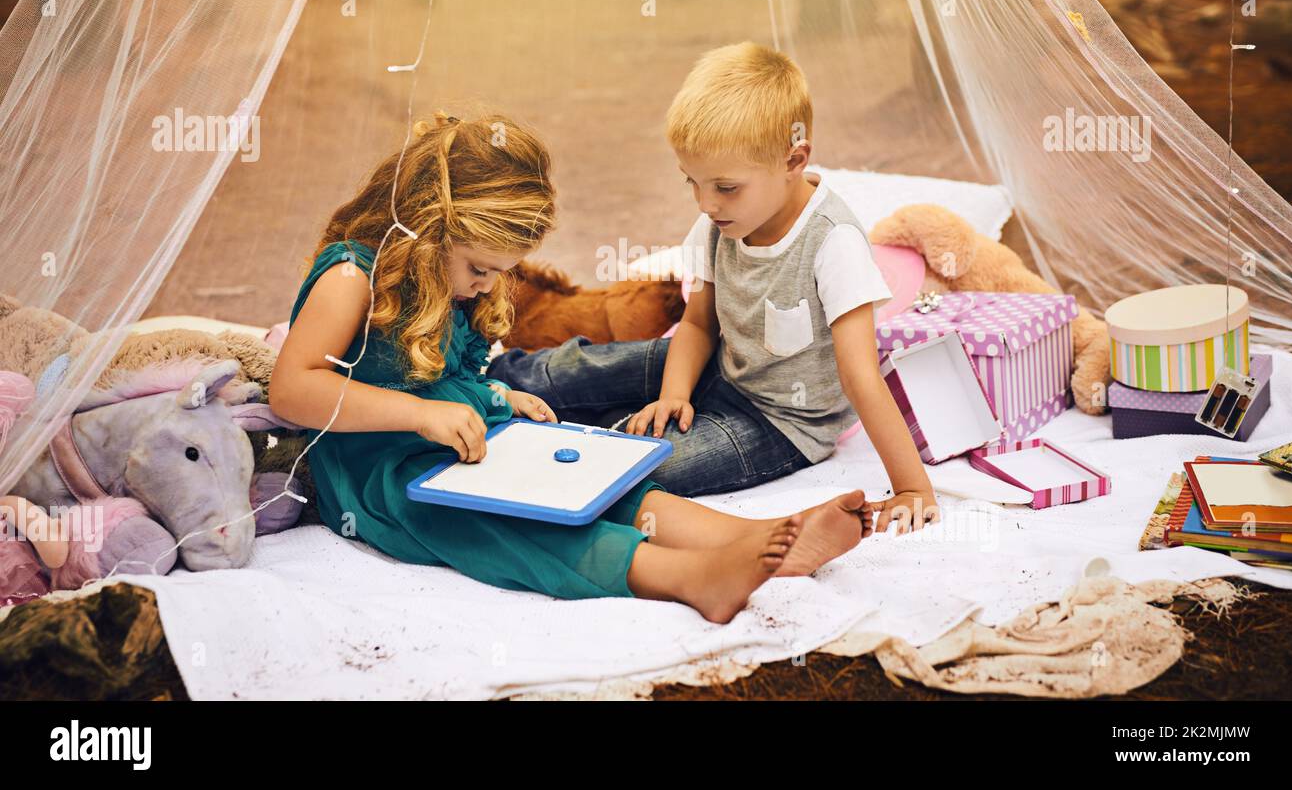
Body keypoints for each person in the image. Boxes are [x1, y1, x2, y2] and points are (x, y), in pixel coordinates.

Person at [268, 111, 874, 624]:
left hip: (455, 442)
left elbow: (450, 376)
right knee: (501, 524)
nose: (484, 289)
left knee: (580, 485)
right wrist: (420, 414)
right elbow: (293, 390)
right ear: (428, 229)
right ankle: (688, 576)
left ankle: (757, 537)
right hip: (379, 469)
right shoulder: (350, 278)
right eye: (479, 269)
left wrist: (497, 398)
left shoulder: (455, 282)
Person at [487, 44, 940, 531]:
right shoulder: (718, 223)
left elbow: (860, 376)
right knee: (586, 365)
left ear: (794, 160)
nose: (705, 203)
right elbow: (699, 324)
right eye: (692, 183)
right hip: (719, 366)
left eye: (725, 187)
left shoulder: (833, 242)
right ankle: (488, 383)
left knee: (650, 467)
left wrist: (912, 487)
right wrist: (673, 395)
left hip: (780, 423)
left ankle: (576, 441)